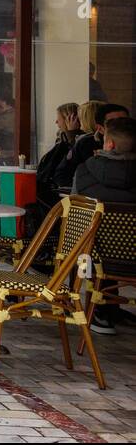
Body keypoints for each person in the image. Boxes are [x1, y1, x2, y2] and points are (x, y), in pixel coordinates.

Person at [72, 115, 136, 334]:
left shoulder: (84, 171)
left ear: (109, 144)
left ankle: (96, 310)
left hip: (96, 259)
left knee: (85, 235)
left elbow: (76, 218)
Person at [54, 101, 129, 193]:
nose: (121, 127)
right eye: (113, 124)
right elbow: (61, 175)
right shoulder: (86, 144)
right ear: (100, 128)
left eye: (126, 122)